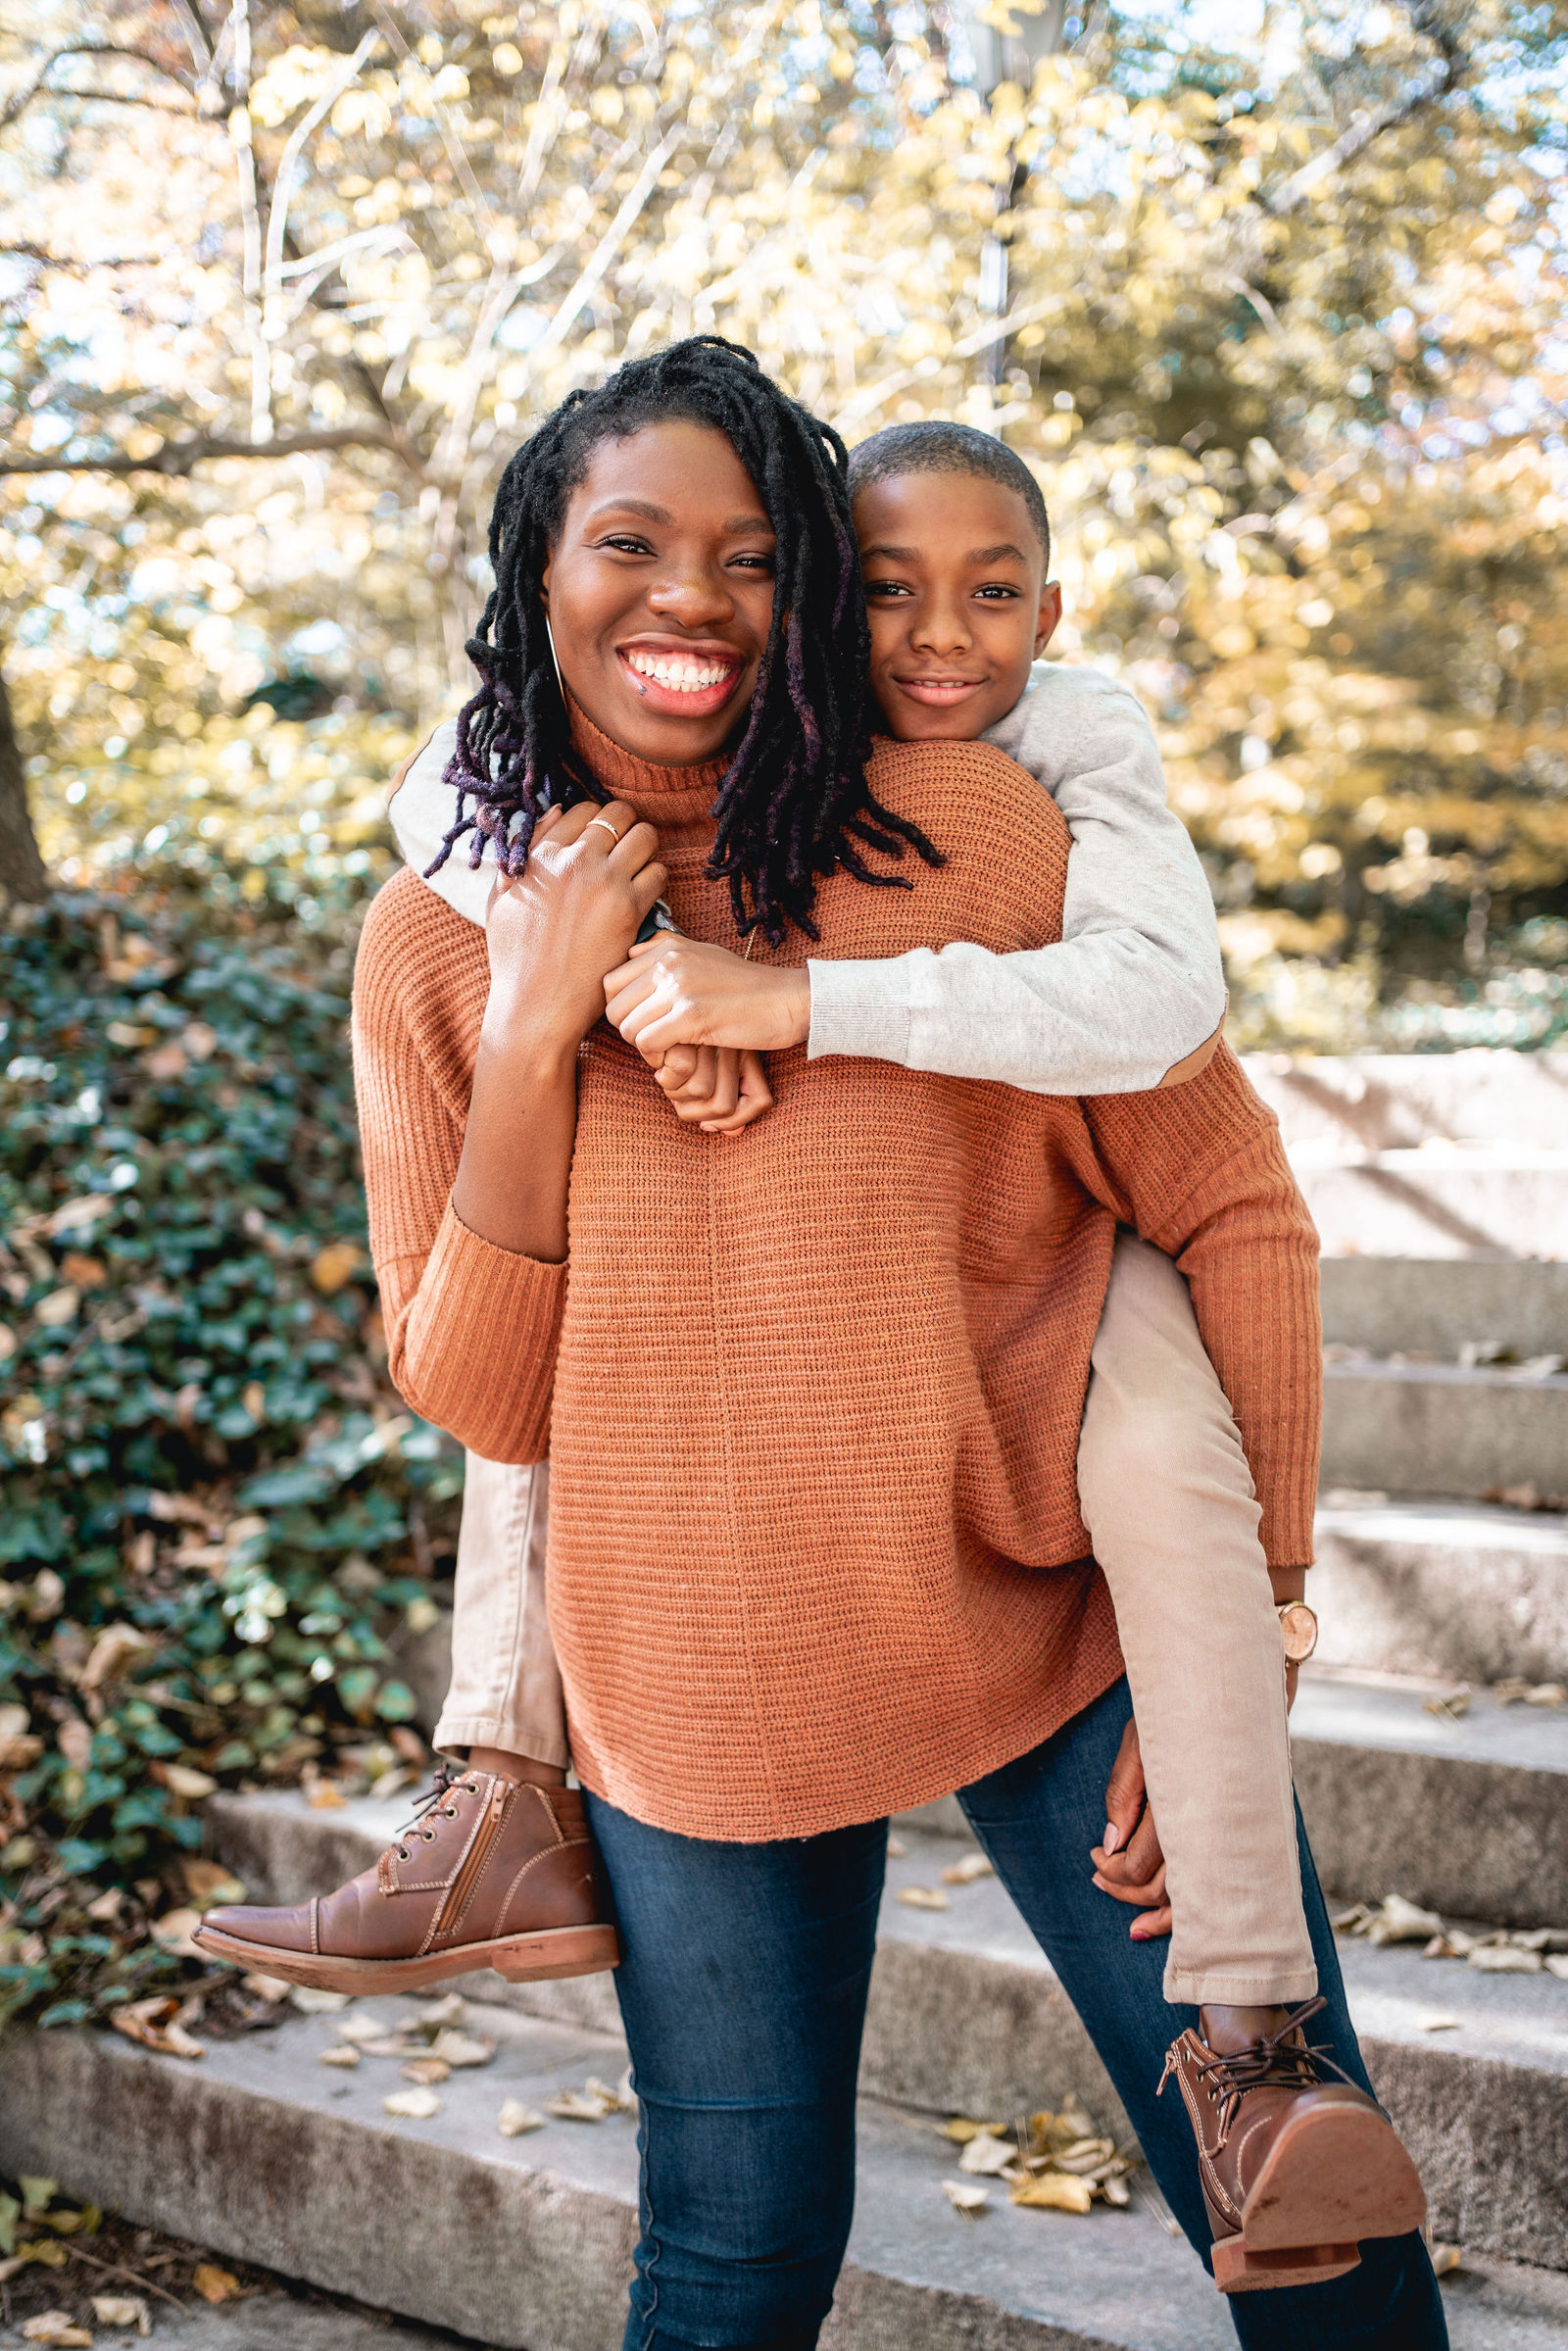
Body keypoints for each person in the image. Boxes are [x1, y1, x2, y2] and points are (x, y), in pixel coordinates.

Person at [198, 339, 1441, 2339]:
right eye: (628, 542)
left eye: (753, 556)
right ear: (537, 573)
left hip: (1053, 1627)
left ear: (809, 598)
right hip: (697, 1676)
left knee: (1304, 2210)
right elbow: (479, 1391)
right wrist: (535, 1020)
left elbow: (1224, 1197)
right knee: (731, 2249)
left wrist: (1262, 1607)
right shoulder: (437, 934)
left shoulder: (976, 840)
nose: (685, 597)